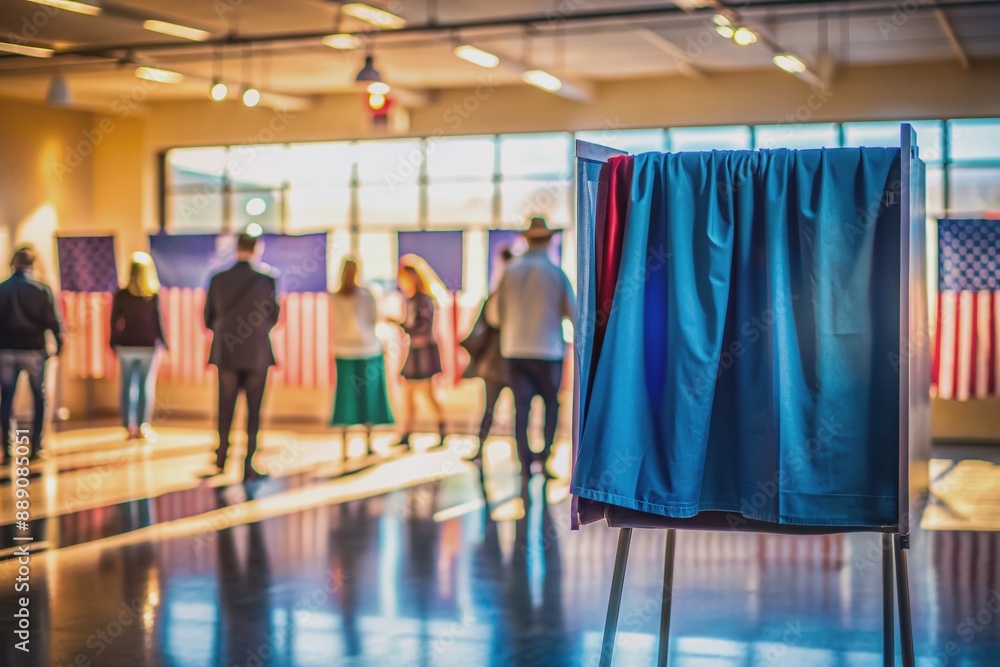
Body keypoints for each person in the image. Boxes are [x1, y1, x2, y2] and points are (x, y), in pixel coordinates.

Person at [487, 217, 576, 478]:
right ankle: (544, 458)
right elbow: (573, 315)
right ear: (549, 241)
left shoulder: (510, 273)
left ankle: (525, 464)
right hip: (548, 351)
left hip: (514, 350)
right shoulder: (556, 274)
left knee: (521, 408)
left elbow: (494, 317)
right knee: (551, 405)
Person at [203, 232, 279, 482]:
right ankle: (249, 464)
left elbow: (208, 318)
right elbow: (273, 317)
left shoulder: (218, 279)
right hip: (257, 352)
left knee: (225, 406)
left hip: (226, 351)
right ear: (257, 248)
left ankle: (221, 458)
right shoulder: (267, 280)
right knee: (254, 411)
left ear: (236, 248)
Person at [0, 246, 63, 463]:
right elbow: (54, 321)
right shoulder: (42, 289)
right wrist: (59, 345)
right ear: (33, 265)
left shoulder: (2, 288)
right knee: (39, 397)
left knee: (6, 398)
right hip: (34, 351)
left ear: (13, 264)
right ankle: (36, 446)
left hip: (6, 350)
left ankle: (8, 448)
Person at [329, 259, 393, 458]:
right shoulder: (365, 295)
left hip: (343, 351)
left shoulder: (334, 297)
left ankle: (344, 447)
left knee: (345, 398)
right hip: (367, 350)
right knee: (368, 398)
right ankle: (368, 443)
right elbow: (374, 318)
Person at [461, 247, 513, 460]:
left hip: (502, 363)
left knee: (495, 408)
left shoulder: (498, 296)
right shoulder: (498, 297)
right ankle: (521, 457)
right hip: (501, 363)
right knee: (495, 408)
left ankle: (521, 456)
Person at [110, 252, 167, 441]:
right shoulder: (152, 295)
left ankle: (128, 426)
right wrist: (164, 344)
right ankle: (143, 426)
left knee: (127, 387)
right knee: (145, 387)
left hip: (126, 346)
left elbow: (113, 322)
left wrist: (113, 342)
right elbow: (158, 322)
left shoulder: (121, 295)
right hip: (147, 346)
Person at [393, 263, 445, 449]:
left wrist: (399, 324)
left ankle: (442, 429)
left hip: (424, 352)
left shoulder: (424, 300)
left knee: (427, 393)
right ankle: (406, 433)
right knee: (408, 394)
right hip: (414, 350)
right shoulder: (410, 300)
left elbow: (421, 328)